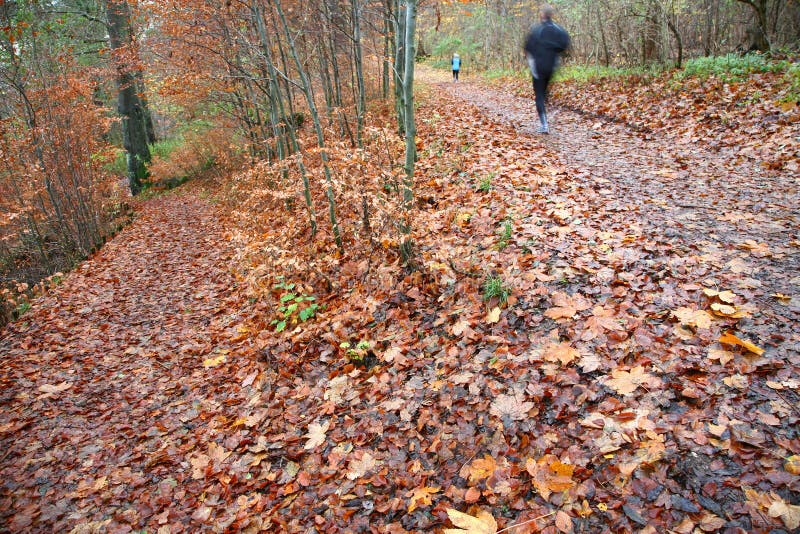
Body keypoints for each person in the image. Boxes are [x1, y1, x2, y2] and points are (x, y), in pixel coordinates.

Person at [524, 5, 570, 133]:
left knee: (539, 94)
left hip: (538, 66)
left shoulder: (536, 30)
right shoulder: (559, 30)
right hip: (552, 65)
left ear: (542, 14)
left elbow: (527, 48)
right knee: (544, 92)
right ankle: (546, 111)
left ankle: (544, 124)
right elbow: (565, 45)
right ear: (551, 15)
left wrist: (532, 60)